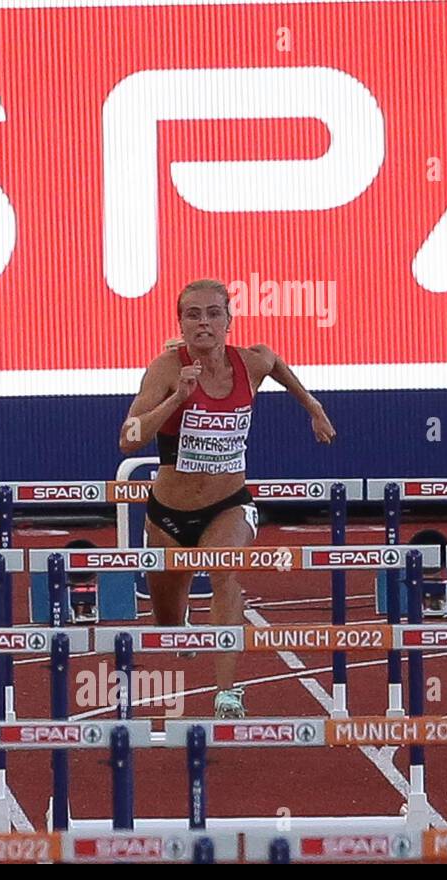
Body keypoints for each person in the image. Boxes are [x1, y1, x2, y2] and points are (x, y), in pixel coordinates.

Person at [119, 279, 336, 717]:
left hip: (228, 503)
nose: (204, 323)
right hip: (169, 516)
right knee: (165, 620)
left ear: (228, 322)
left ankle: (227, 693)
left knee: (225, 572)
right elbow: (128, 438)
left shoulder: (250, 364)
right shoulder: (165, 368)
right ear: (180, 323)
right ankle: (179, 625)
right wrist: (177, 398)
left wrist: (313, 407)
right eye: (193, 314)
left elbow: (275, 362)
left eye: (213, 313)